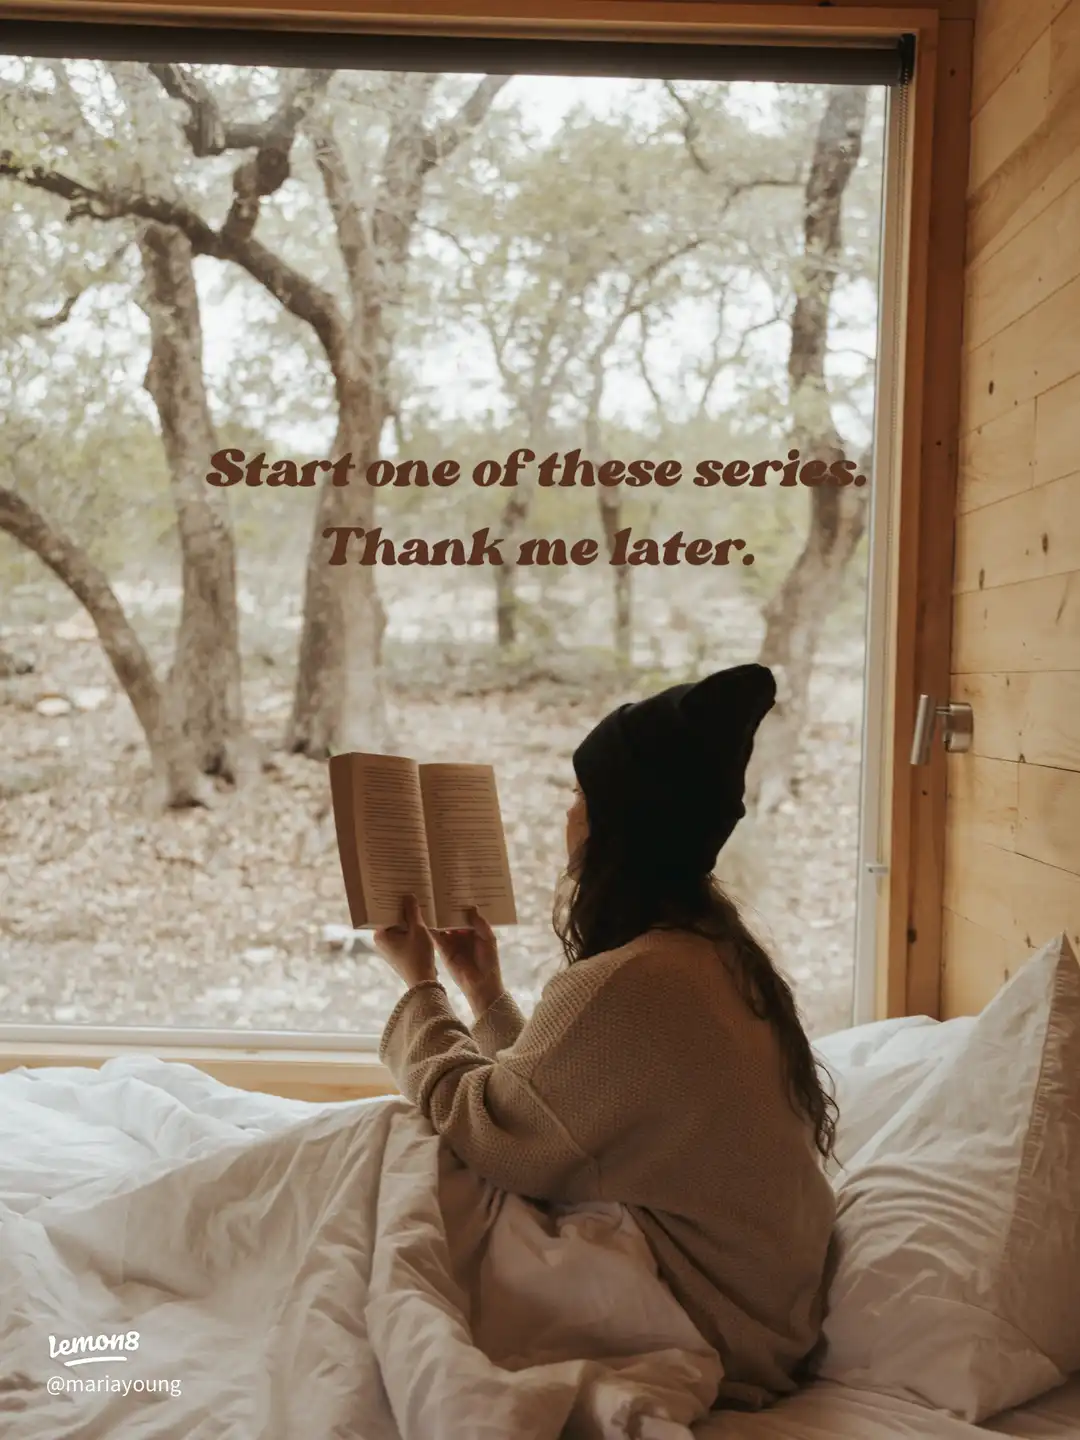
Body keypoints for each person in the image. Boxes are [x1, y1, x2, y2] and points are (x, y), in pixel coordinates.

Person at [372, 663, 838, 1409]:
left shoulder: (637, 981)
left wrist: (420, 983)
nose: (568, 816)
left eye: (579, 797)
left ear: (619, 823)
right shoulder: (709, 949)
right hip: (768, 1311)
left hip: (722, 1320)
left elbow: (492, 1127)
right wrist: (483, 991)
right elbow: (564, 1111)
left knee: (390, 1149)